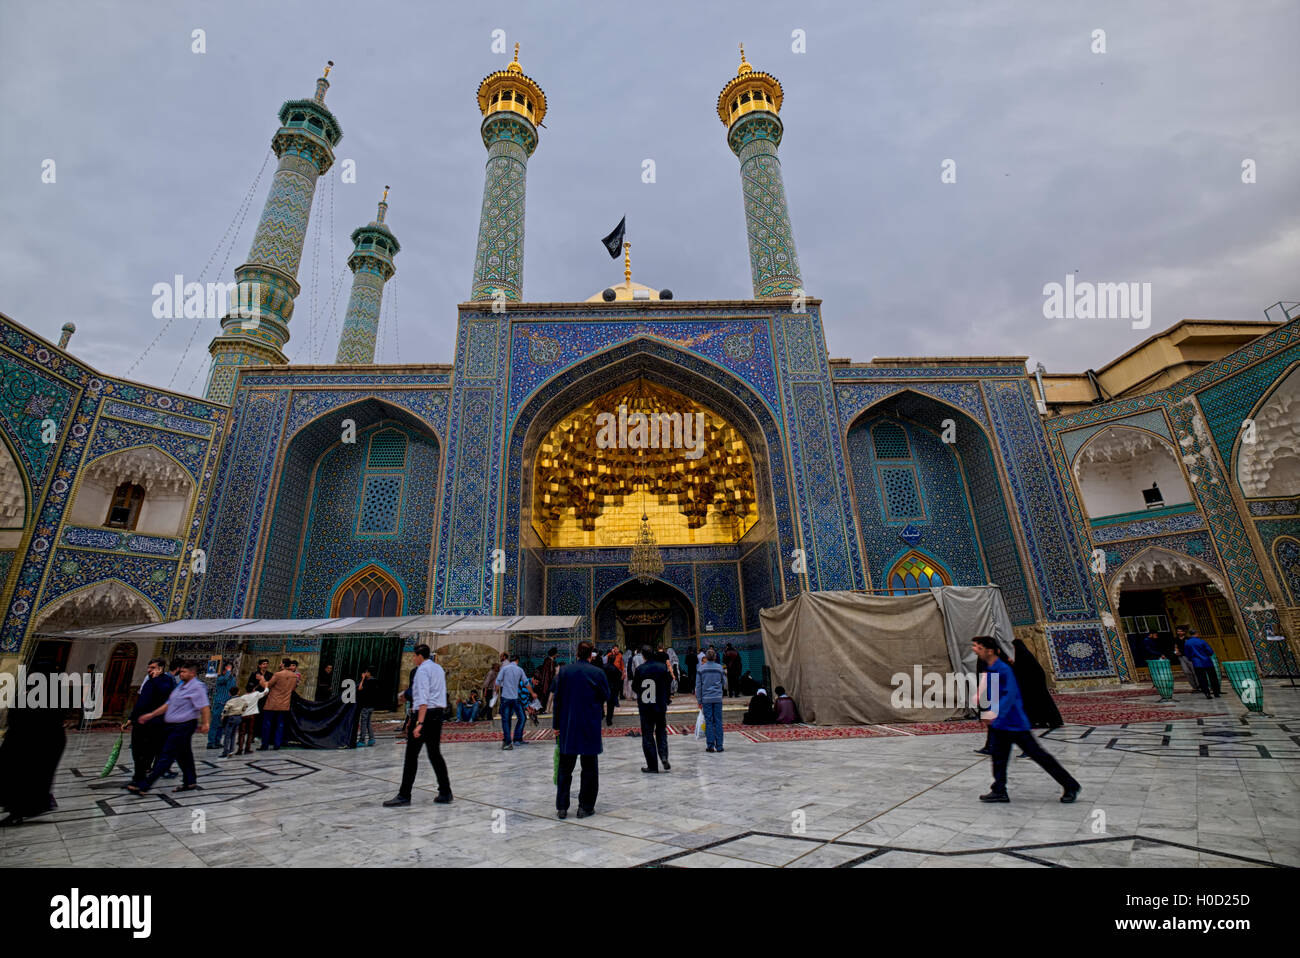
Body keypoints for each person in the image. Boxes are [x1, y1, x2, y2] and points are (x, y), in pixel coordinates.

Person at [972, 636, 1080, 804]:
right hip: (1001, 724)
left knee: (1039, 756)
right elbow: (992, 693)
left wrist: (995, 714)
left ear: (989, 650)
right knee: (998, 758)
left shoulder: (1003, 668)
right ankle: (999, 790)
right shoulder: (991, 668)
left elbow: (1010, 694)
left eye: (978, 647)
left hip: (1015, 723)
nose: (975, 650)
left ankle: (1071, 785)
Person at [0, 655, 67, 826]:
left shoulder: (54, 693)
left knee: (28, 778)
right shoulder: (31, 689)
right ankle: (18, 807)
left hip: (40, 743)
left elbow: (49, 720)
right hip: (23, 739)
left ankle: (19, 811)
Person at [383, 644, 453, 807]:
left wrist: (419, 723)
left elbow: (422, 698)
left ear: (420, 656)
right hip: (437, 714)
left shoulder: (422, 670)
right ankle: (445, 791)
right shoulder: (438, 669)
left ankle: (404, 795)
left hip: (425, 715)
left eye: (414, 656)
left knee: (411, 756)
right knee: (435, 754)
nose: (413, 659)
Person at [128, 661, 212, 794]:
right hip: (174, 725)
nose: (181, 674)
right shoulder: (180, 686)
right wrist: (151, 715)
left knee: (167, 754)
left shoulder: (197, 687)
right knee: (184, 755)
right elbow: (168, 704)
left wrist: (206, 723)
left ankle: (145, 785)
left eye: (184, 672)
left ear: (192, 673)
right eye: (181, 671)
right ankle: (190, 781)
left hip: (184, 725)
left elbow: (204, 706)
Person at [552, 642, 610, 819]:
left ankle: (562, 807)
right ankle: (585, 807)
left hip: (568, 726)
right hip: (589, 726)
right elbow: (606, 695)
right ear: (591, 654)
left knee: (565, 768)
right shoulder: (597, 673)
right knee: (589, 769)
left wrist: (556, 725)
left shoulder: (564, 672)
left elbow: (557, 701)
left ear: (577, 653)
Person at [123, 658, 174, 788]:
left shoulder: (166, 681)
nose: (149, 670)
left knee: (146, 752)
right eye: (148, 667)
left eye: (152, 667)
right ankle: (138, 777)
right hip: (141, 722)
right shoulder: (150, 681)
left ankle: (140, 780)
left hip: (154, 724)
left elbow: (166, 696)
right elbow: (141, 702)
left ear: (160, 668)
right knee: (138, 751)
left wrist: (156, 679)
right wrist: (131, 719)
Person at [633, 647, 672, 772]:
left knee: (648, 735)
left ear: (643, 656)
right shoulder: (662, 667)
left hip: (646, 708)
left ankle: (652, 765)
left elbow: (635, 687)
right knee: (661, 732)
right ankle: (664, 756)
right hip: (660, 706)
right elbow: (667, 684)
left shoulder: (640, 670)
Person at [1010, 639, 1063, 730]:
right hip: (1034, 686)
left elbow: (1021, 672)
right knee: (1039, 703)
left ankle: (1041, 721)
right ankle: (1042, 721)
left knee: (1036, 703)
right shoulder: (1025, 656)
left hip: (1033, 686)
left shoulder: (1023, 656)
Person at [257, 658, 298, 750]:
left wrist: (262, 680)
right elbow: (293, 688)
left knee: (267, 723)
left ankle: (265, 744)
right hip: (285, 703)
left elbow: (268, 685)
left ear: (283, 664)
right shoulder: (294, 676)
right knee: (280, 724)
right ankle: (277, 744)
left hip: (273, 702)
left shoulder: (278, 674)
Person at [219, 688, 266, 757]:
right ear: (238, 692)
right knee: (234, 735)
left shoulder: (230, 701)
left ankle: (225, 751)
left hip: (231, 717)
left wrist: (223, 716)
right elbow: (245, 706)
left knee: (228, 735)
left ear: (229, 693)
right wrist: (242, 711)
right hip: (238, 717)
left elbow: (225, 710)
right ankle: (231, 751)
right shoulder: (242, 700)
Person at [696, 648, 726, 753]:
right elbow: (724, 683)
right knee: (718, 721)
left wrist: (699, 701)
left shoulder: (701, 669)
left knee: (709, 722)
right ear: (715, 657)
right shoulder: (719, 668)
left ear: (706, 658)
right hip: (717, 698)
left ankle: (710, 745)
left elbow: (698, 686)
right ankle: (720, 746)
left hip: (706, 699)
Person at [495, 652, 528, 749]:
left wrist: (495, 693)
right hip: (515, 698)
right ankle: (511, 740)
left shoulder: (504, 668)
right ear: (517, 660)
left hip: (505, 698)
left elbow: (498, 681)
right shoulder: (520, 670)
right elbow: (525, 682)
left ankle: (508, 742)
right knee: (520, 717)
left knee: (506, 720)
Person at [1181, 631, 1222, 699]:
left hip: (1197, 663)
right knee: (1213, 678)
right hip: (1207, 662)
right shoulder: (1202, 641)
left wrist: (1192, 658)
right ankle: (1216, 693)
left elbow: (1187, 654)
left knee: (1202, 679)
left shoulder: (1187, 643)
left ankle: (1207, 693)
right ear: (1196, 633)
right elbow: (1210, 651)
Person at [207, 662, 238, 749]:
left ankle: (217, 741)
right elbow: (224, 679)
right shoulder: (220, 678)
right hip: (219, 703)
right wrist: (227, 672)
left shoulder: (232, 679)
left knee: (222, 724)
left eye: (230, 669)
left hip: (227, 704)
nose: (229, 671)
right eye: (227, 669)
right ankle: (211, 742)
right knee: (215, 723)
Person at [244, 658, 272, 751]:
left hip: (264, 698)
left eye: (266, 664)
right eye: (263, 664)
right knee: (253, 716)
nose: (265, 665)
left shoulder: (269, 675)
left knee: (261, 716)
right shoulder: (254, 674)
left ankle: (258, 734)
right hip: (255, 698)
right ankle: (251, 736)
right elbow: (249, 685)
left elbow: (270, 685)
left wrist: (263, 680)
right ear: (259, 665)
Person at [356, 666, 381, 746]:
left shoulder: (367, 681)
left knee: (363, 722)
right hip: (371, 705)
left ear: (369, 673)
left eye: (366, 672)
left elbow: (359, 688)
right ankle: (371, 739)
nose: (365, 673)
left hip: (365, 705)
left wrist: (363, 679)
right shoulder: (376, 681)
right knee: (368, 722)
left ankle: (362, 740)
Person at [1173, 626, 1201, 692]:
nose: (1179, 632)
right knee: (1186, 672)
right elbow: (1175, 646)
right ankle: (1194, 687)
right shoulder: (1176, 639)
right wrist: (1176, 651)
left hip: (1189, 656)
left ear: (1184, 632)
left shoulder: (1188, 639)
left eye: (1181, 631)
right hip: (1181, 657)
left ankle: (1199, 685)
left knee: (1194, 671)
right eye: (1178, 631)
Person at [602, 651, 623, 727]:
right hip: (612, 689)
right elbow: (618, 680)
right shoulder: (616, 669)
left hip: (603, 687)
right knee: (610, 706)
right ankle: (609, 720)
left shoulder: (603, 667)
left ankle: (602, 714)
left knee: (601, 702)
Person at [536, 648, 558, 714]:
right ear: (554, 654)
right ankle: (543, 710)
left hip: (545, 682)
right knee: (546, 695)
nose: (557, 655)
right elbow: (550, 673)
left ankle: (542, 709)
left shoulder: (547, 660)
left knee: (544, 695)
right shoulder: (550, 661)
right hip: (547, 682)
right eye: (556, 653)